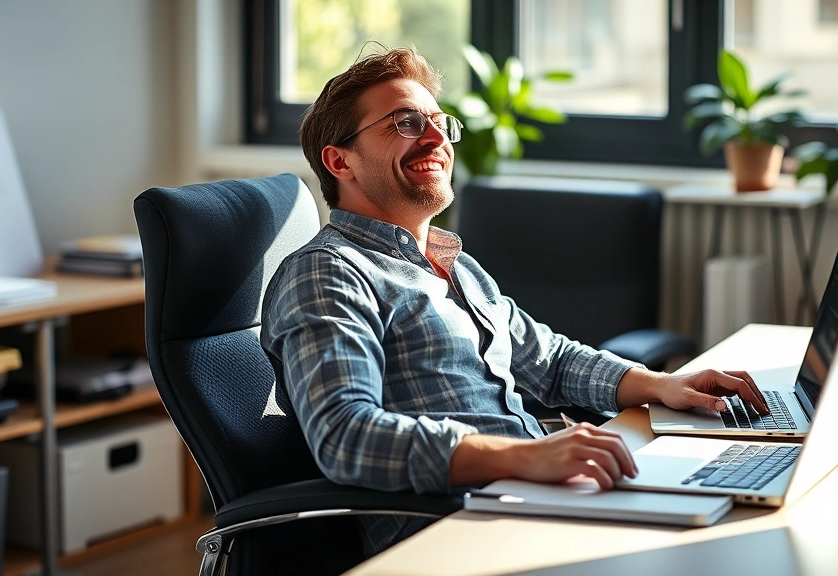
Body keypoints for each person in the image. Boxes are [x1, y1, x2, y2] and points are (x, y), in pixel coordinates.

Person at [261, 46, 769, 557]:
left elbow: (547, 360)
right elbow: (346, 436)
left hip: (529, 500)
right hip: (455, 532)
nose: (437, 138)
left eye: (440, 123)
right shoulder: (327, 273)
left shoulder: (451, 262)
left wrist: (663, 384)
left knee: (740, 521)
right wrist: (524, 458)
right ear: (339, 160)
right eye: (407, 124)